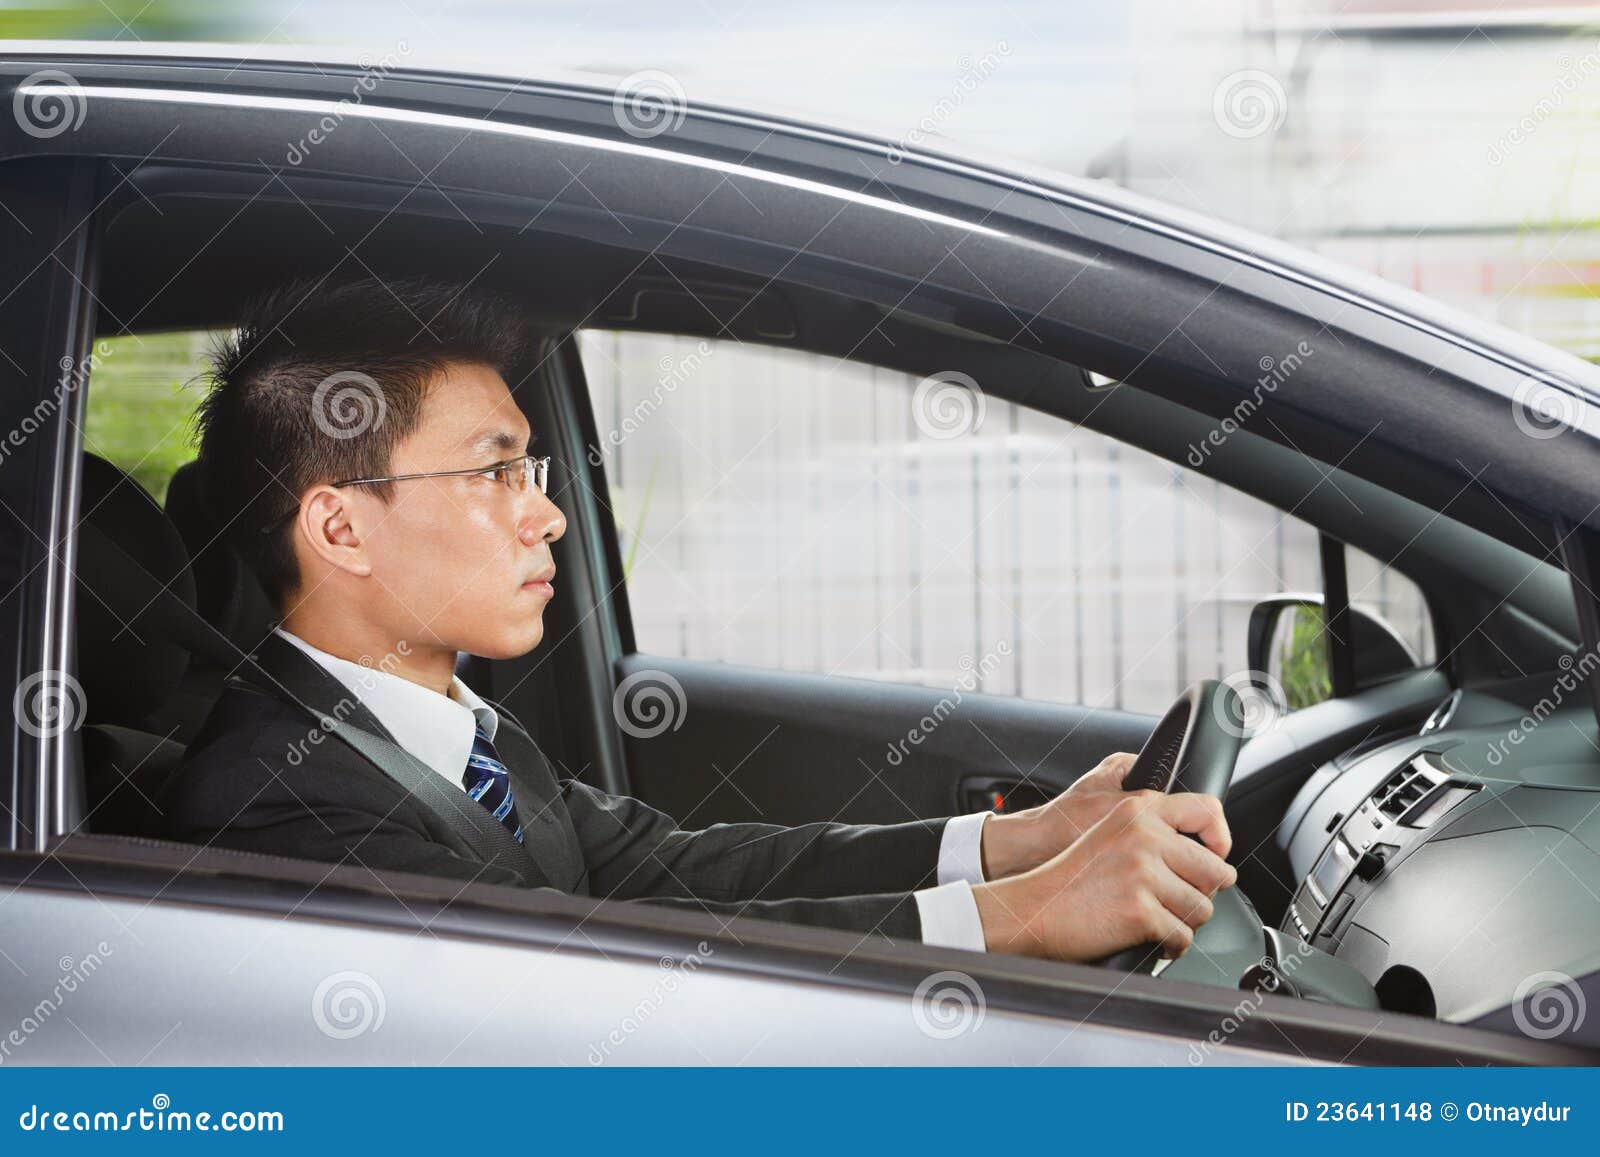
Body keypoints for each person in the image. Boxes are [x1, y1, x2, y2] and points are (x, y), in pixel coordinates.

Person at [158, 278, 1236, 961]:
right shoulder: (277, 795)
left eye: (530, 466)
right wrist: (1025, 917)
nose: (546, 513)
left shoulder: (450, 725)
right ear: (341, 529)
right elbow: (575, 983)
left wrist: (1012, 843)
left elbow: (678, 872)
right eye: (495, 472)